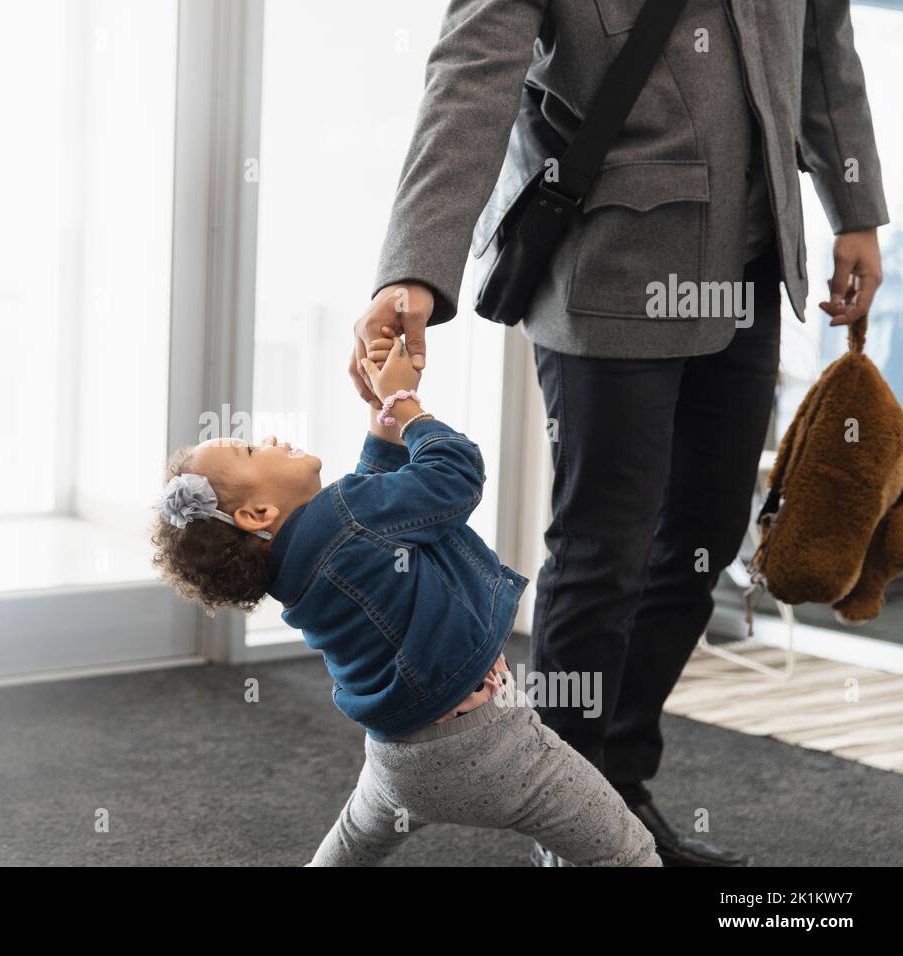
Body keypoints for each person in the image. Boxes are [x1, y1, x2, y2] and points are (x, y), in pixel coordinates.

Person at [349, 0, 889, 866]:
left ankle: (615, 795)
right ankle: (571, 834)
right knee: (606, 555)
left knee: (706, 540)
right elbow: (472, 75)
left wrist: (853, 205)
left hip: (750, 266)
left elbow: (823, 44)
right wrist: (413, 270)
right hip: (608, 269)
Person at [151, 331, 660, 866]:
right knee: (625, 851)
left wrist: (382, 411)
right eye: (252, 449)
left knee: (344, 856)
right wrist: (405, 406)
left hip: (398, 763)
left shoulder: (297, 560)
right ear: (258, 515)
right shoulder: (350, 515)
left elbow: (381, 498)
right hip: (490, 747)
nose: (272, 438)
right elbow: (457, 475)